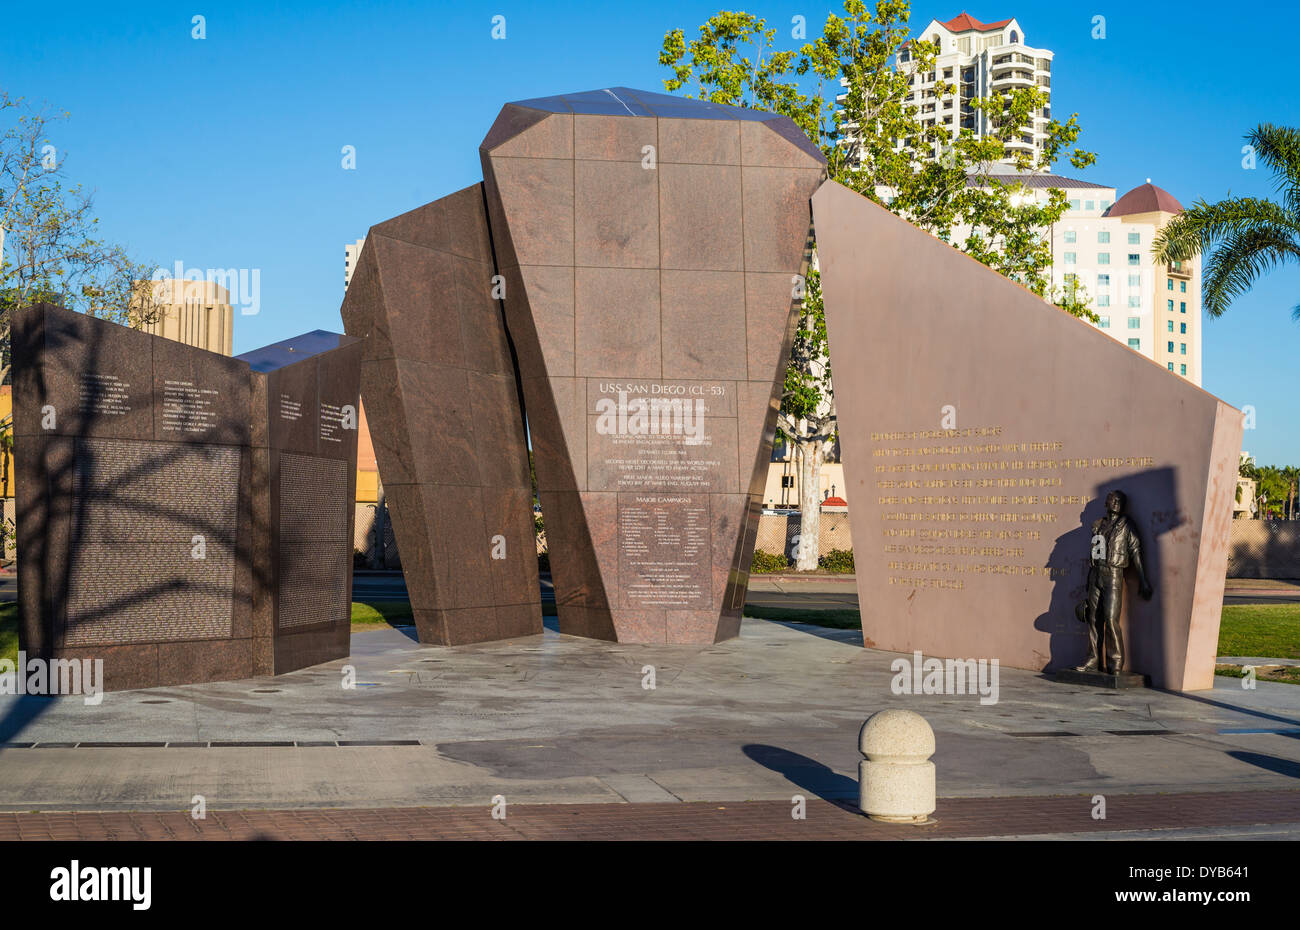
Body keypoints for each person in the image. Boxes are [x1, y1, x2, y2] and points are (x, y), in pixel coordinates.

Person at [1076, 490, 1152, 674]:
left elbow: (1135, 551)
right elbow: (1095, 553)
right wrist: (1089, 580)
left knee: (1110, 619)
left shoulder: (1126, 525)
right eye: (1112, 499)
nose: (1116, 502)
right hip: (1096, 574)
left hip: (1114, 574)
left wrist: (1143, 580)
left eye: (1119, 500)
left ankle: (1115, 662)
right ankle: (1093, 659)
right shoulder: (1098, 525)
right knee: (1093, 620)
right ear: (1106, 503)